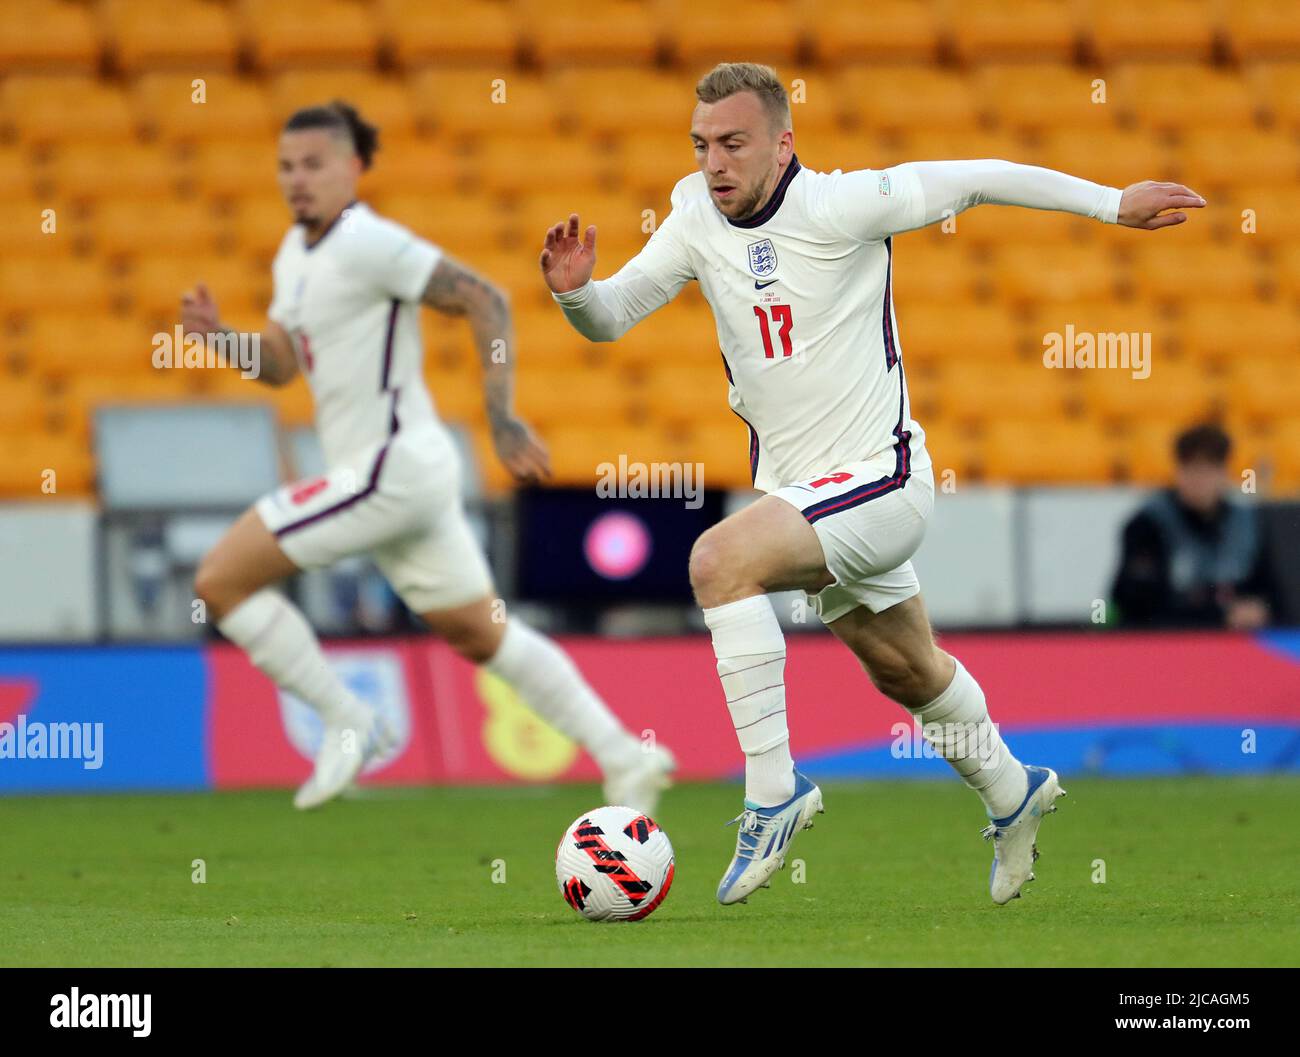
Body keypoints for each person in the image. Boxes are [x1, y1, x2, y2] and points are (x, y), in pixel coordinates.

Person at [540, 62, 1205, 905]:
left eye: (734, 143)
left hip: (881, 481)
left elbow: (981, 177)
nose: (715, 163)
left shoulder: (842, 204)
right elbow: (614, 315)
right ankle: (1013, 790)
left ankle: (774, 790)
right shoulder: (691, 213)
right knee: (904, 668)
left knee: (716, 562)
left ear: (785, 143)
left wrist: (1113, 203)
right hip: (806, 497)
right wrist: (575, 296)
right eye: (702, 144)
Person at [184, 101, 674, 813]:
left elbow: (485, 298)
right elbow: (284, 364)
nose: (298, 179)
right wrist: (220, 337)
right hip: (399, 477)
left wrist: (502, 414)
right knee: (482, 633)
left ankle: (348, 718)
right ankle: (626, 755)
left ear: (354, 168)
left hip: (388, 468)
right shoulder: (295, 254)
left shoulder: (369, 242)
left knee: (219, 578)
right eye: (287, 166)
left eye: (315, 164)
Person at [1112, 423, 1273, 629]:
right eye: (1192, 469)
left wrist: (1260, 609)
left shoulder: (1246, 523)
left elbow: (1272, 592)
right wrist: (1218, 616)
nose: (1200, 480)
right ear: (1178, 472)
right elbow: (1137, 605)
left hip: (1236, 644)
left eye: (1208, 470)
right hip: (1169, 643)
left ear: (1224, 473)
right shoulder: (1148, 524)